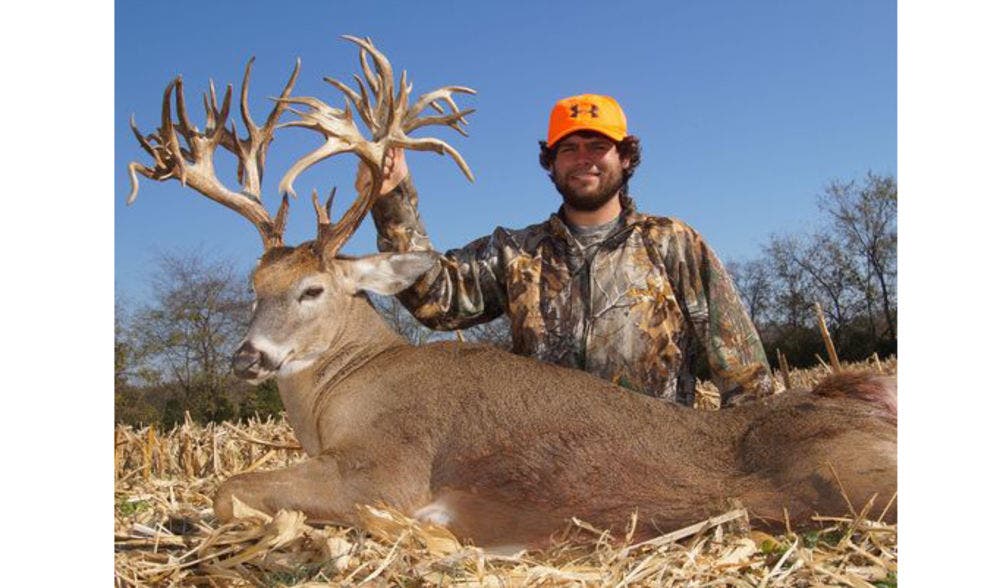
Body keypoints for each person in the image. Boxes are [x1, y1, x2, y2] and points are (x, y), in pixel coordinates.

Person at [363, 94, 774, 407]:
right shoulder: (516, 253)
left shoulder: (674, 244)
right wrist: (391, 198)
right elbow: (437, 299)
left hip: (656, 466)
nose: (583, 159)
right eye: (569, 148)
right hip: (547, 469)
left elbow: (745, 374)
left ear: (626, 157)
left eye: (597, 146)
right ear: (551, 162)